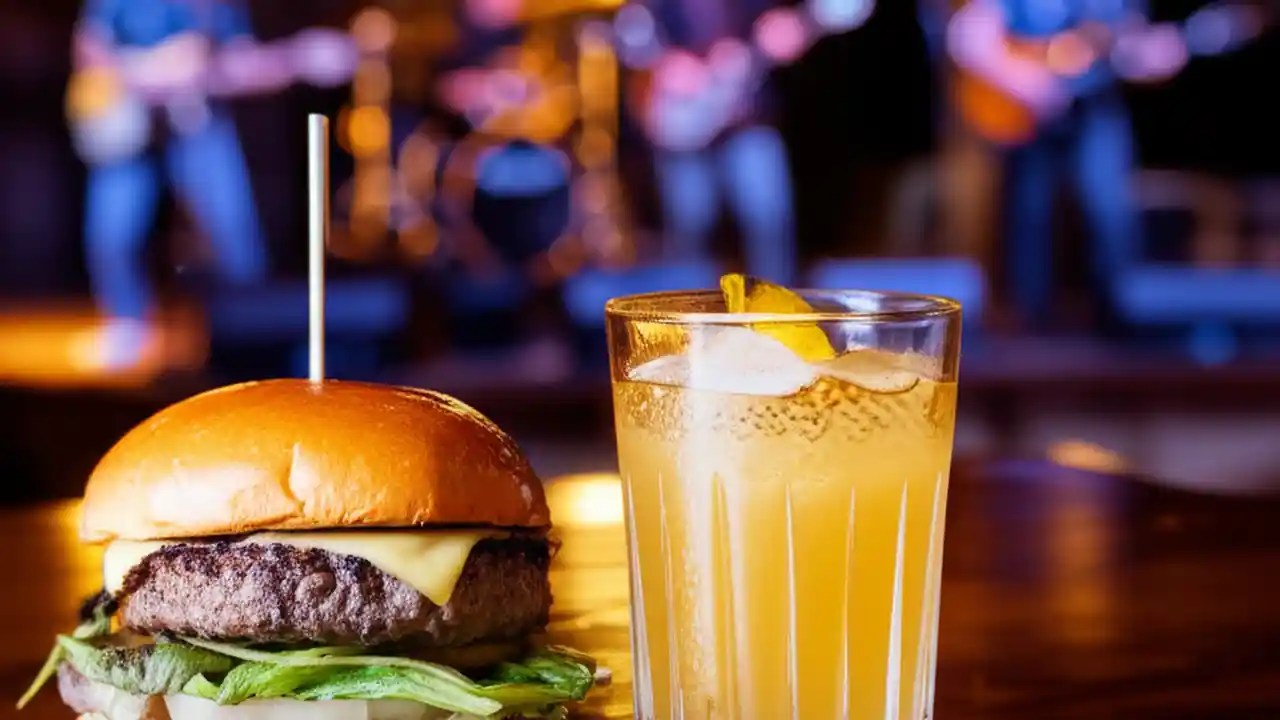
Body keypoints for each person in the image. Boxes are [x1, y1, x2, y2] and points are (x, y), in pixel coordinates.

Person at [948, 0, 1185, 327]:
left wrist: (1150, 57)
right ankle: (1027, 318)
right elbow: (968, 33)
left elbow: (1127, 44)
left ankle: (1119, 318)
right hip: (1028, 109)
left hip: (1093, 103)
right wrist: (1023, 80)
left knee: (1110, 204)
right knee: (1029, 211)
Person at [70, 0, 269, 366]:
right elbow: (88, 45)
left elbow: (242, 58)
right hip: (127, 122)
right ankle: (127, 324)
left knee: (233, 226)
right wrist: (143, 72)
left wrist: (295, 59)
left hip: (196, 117)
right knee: (111, 232)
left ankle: (248, 330)